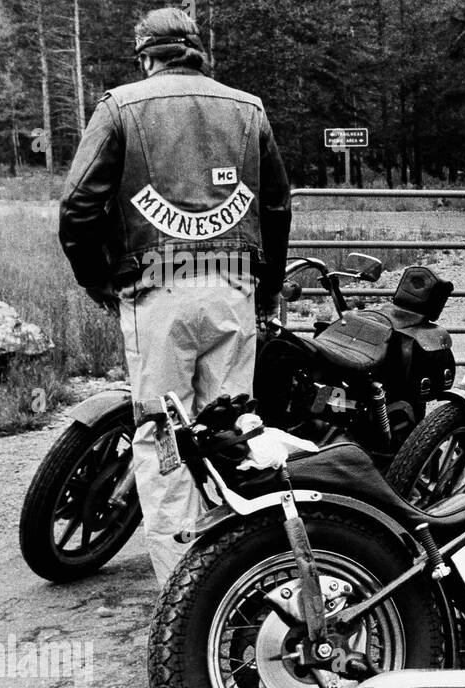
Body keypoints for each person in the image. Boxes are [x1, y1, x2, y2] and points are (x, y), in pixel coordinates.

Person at [59, 7, 292, 585]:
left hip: (157, 290)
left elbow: (78, 207)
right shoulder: (248, 108)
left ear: (146, 55)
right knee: (234, 433)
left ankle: (182, 591)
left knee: (164, 437)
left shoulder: (119, 107)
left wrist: (97, 280)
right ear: (196, 50)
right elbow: (276, 205)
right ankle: (238, 579)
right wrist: (267, 289)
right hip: (233, 288)